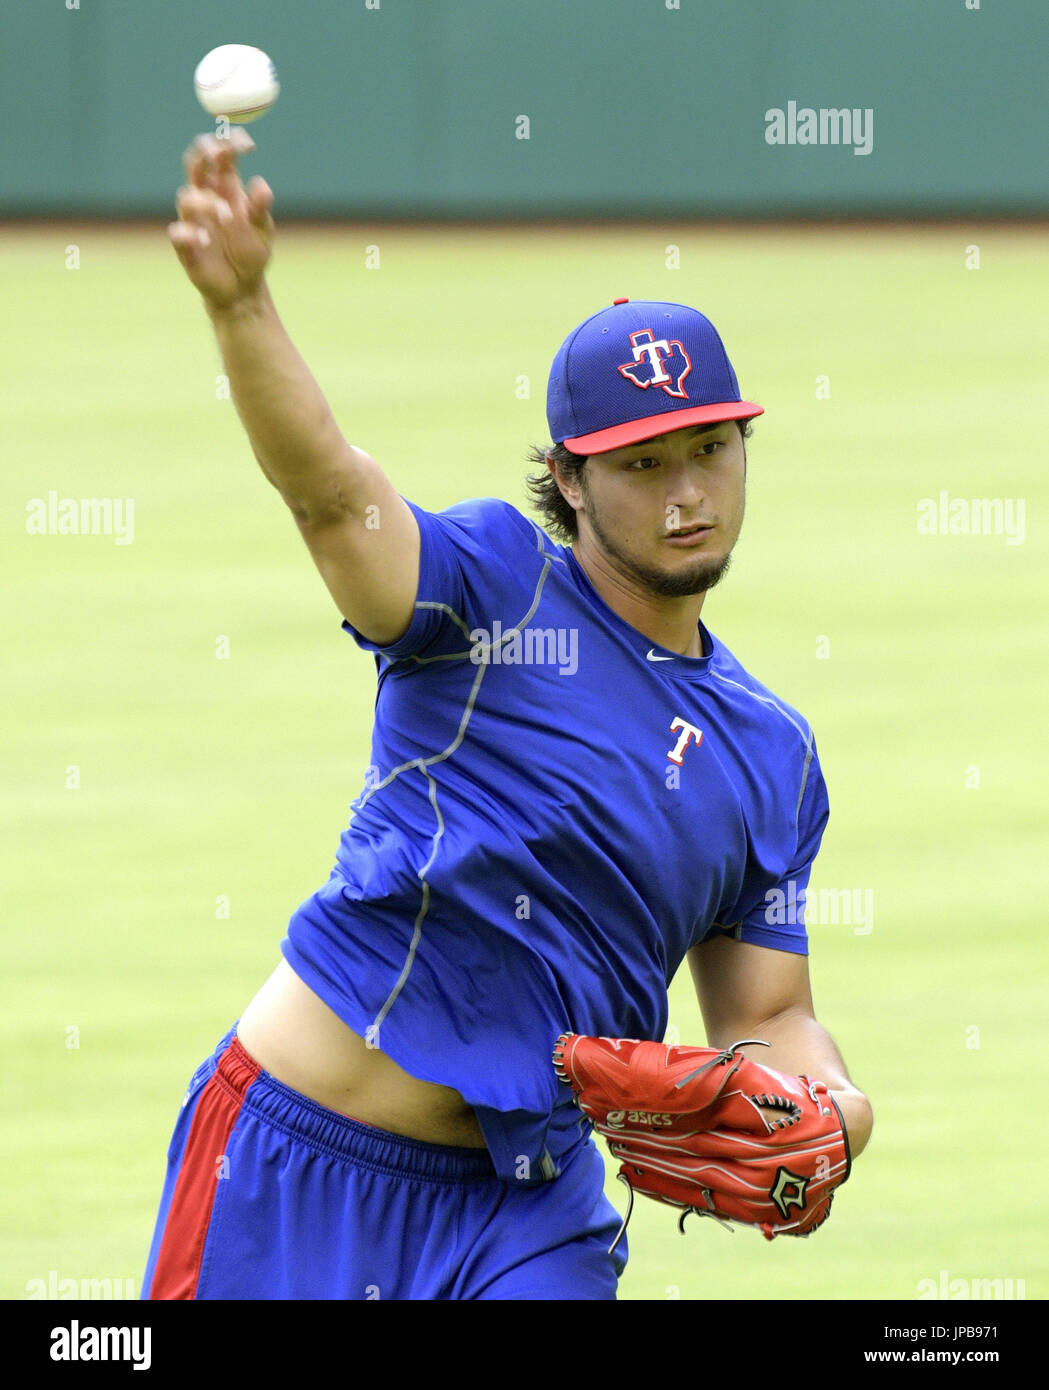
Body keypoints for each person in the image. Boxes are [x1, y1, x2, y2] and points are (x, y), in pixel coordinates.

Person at [142, 128, 873, 1301]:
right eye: (641, 464)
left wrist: (832, 1106)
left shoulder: (771, 752)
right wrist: (241, 306)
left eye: (709, 449)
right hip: (293, 1158)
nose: (687, 493)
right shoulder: (488, 588)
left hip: (526, 1210)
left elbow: (768, 1013)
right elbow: (330, 495)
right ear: (568, 479)